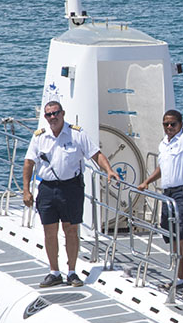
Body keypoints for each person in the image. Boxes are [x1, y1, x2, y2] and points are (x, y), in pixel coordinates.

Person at [22, 100, 119, 288]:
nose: (53, 117)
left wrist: (109, 170)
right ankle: (54, 272)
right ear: (45, 117)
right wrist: (26, 190)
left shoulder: (76, 134)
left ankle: (72, 272)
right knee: (50, 232)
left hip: (71, 188)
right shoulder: (40, 137)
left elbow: (95, 154)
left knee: (71, 230)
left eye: (56, 113)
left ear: (63, 113)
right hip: (47, 189)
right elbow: (29, 163)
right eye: (49, 114)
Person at [137, 78, 183, 295]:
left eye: (173, 124)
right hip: (168, 194)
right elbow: (163, 167)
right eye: (166, 124)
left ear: (180, 125)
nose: (169, 127)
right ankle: (178, 279)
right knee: (173, 237)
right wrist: (147, 182)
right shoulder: (163, 143)